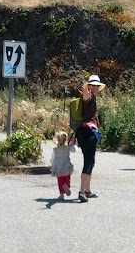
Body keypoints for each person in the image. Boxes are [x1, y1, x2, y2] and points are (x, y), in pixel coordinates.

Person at [75, 74, 105, 202]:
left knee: (89, 160)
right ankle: (82, 191)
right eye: (93, 85)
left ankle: (87, 190)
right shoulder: (88, 97)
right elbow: (86, 98)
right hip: (88, 132)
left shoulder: (91, 97)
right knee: (89, 162)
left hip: (83, 132)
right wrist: (86, 95)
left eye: (97, 85)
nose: (96, 87)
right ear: (89, 86)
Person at [50, 131, 76, 199]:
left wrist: (53, 164)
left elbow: (52, 159)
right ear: (66, 140)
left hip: (58, 167)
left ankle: (61, 194)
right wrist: (73, 144)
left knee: (60, 181)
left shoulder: (55, 149)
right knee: (67, 178)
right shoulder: (68, 147)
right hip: (66, 166)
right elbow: (74, 150)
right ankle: (66, 185)